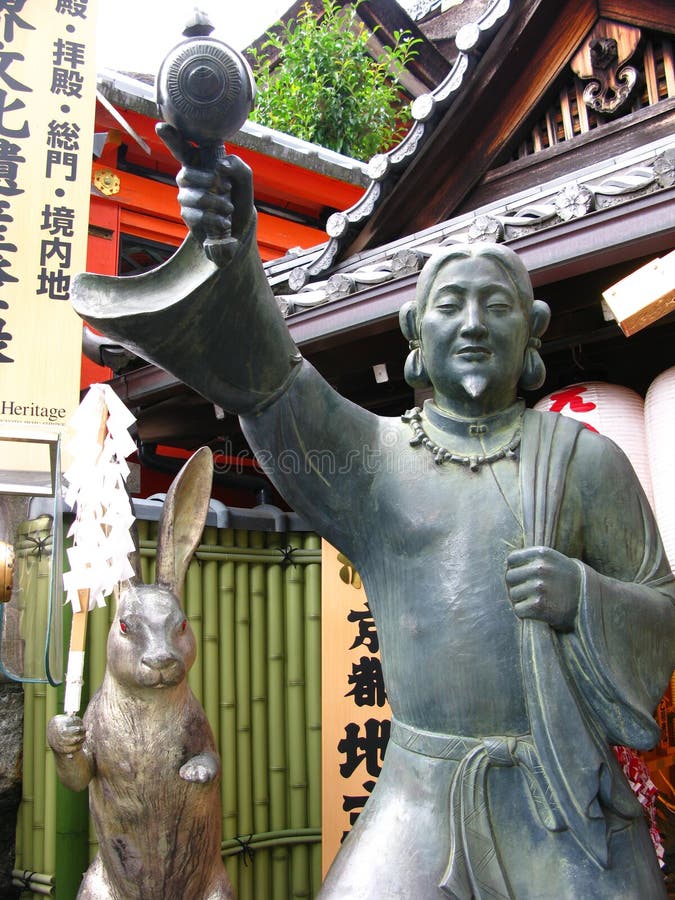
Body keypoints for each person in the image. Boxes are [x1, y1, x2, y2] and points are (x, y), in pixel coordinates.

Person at [72, 126, 675, 900]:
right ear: (415, 339)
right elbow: (274, 386)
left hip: (562, 794)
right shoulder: (379, 458)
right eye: (449, 305)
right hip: (421, 791)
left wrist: (583, 598)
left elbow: (661, 606)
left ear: (532, 336)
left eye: (497, 306)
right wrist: (232, 248)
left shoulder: (586, 462)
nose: (471, 324)